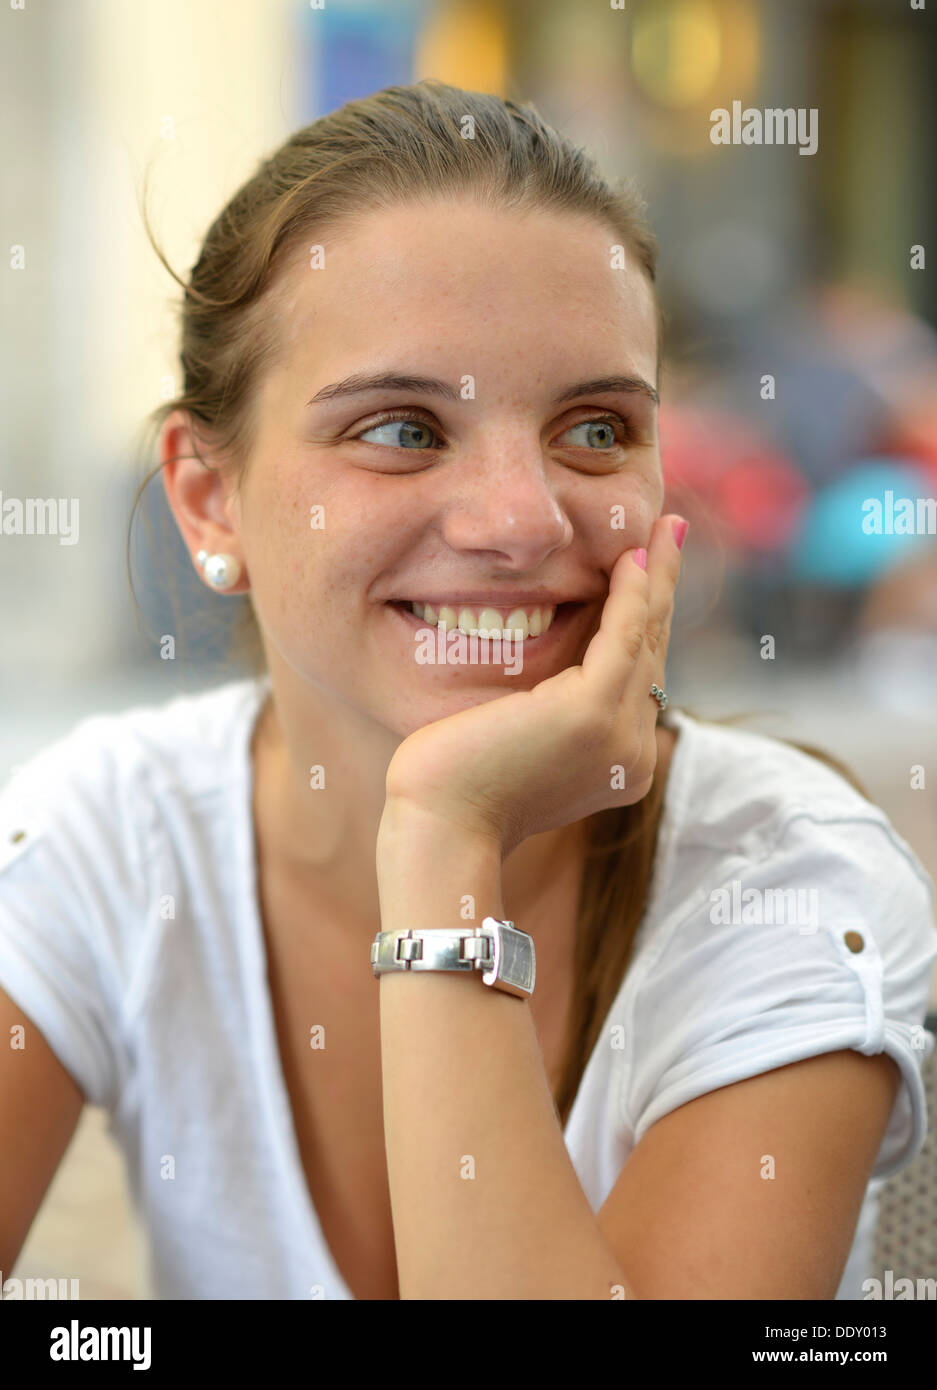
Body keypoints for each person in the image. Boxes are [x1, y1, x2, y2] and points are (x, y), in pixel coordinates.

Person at [1, 81, 934, 1302]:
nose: (520, 520)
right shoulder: (111, 836)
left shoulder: (784, 882)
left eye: (595, 430)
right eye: (400, 429)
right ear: (206, 497)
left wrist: (444, 840)